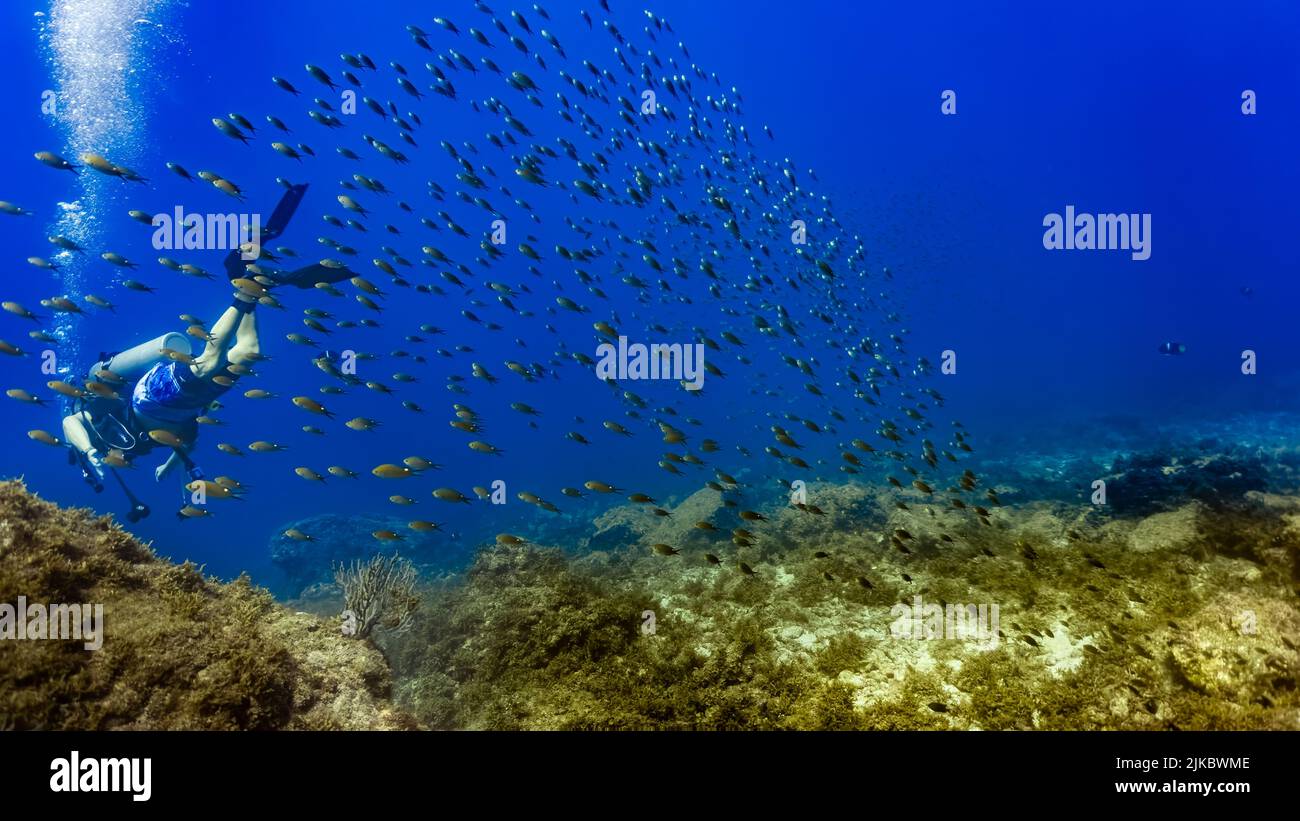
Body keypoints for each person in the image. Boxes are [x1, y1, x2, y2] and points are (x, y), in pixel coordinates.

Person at [60, 183, 351, 492]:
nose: (111, 459)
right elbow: (182, 443)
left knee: (209, 360)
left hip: (153, 397)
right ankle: (250, 284)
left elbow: (69, 424)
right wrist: (168, 466)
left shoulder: (93, 427)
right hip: (194, 403)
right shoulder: (133, 448)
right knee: (249, 352)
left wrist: (88, 451)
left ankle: (243, 293)